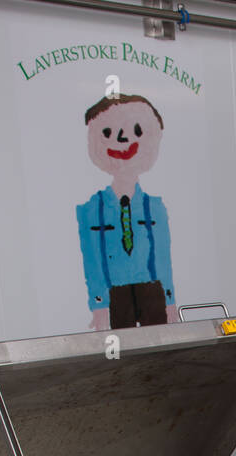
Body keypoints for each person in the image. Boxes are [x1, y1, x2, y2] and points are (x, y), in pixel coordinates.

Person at [76, 94, 177, 330]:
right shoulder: (92, 209)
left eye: (137, 131)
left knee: (161, 352)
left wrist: (170, 301)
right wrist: (99, 304)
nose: (122, 139)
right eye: (108, 133)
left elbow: (162, 256)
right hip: (116, 293)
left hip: (153, 291)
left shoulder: (155, 207)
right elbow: (93, 261)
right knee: (122, 358)